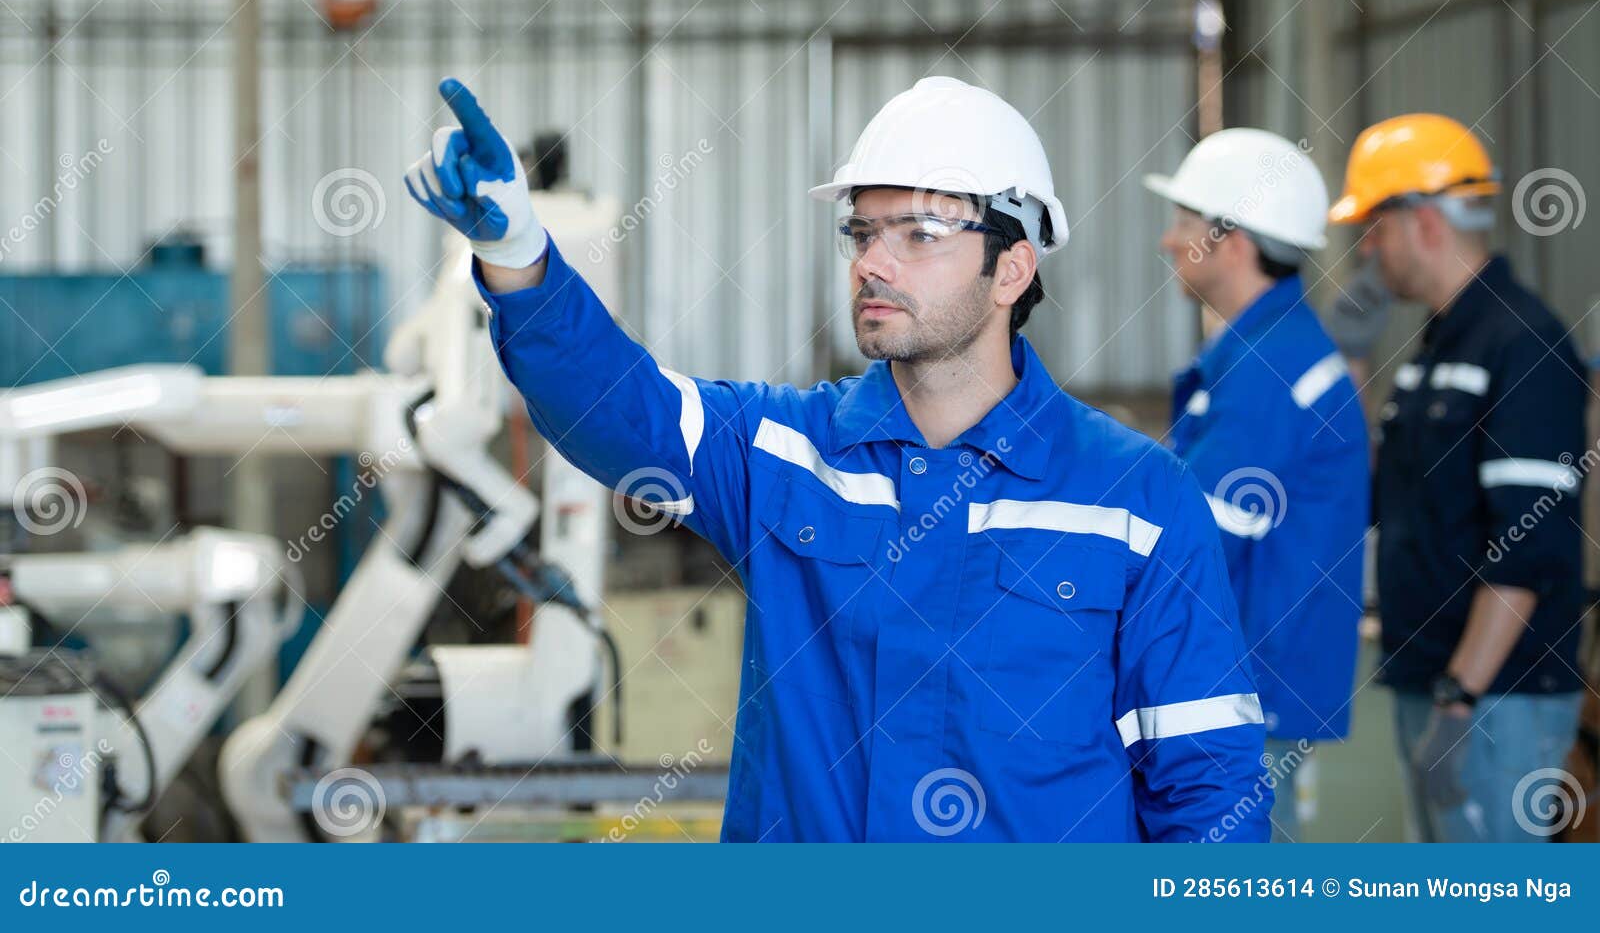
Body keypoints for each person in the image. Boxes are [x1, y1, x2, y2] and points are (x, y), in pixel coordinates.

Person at [403, 74, 1268, 841]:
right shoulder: (783, 453)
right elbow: (620, 408)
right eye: (863, 232)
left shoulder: (1136, 499)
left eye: (920, 234)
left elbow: (1208, 785)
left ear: (1011, 269)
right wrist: (518, 254)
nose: (872, 263)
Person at [1329, 113, 1587, 842]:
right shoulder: (1437, 345)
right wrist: (1350, 361)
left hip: (1496, 694)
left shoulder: (1522, 342)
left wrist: (1458, 698)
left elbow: (1528, 548)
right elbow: (1380, 493)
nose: (1370, 253)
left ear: (1422, 223)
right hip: (1435, 673)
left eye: (1375, 230)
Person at [1146, 129, 1369, 842]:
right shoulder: (1266, 352)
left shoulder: (1270, 367)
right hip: (1254, 676)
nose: (1168, 241)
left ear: (1233, 242)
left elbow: (1200, 539)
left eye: (1184, 222)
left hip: (1248, 687)